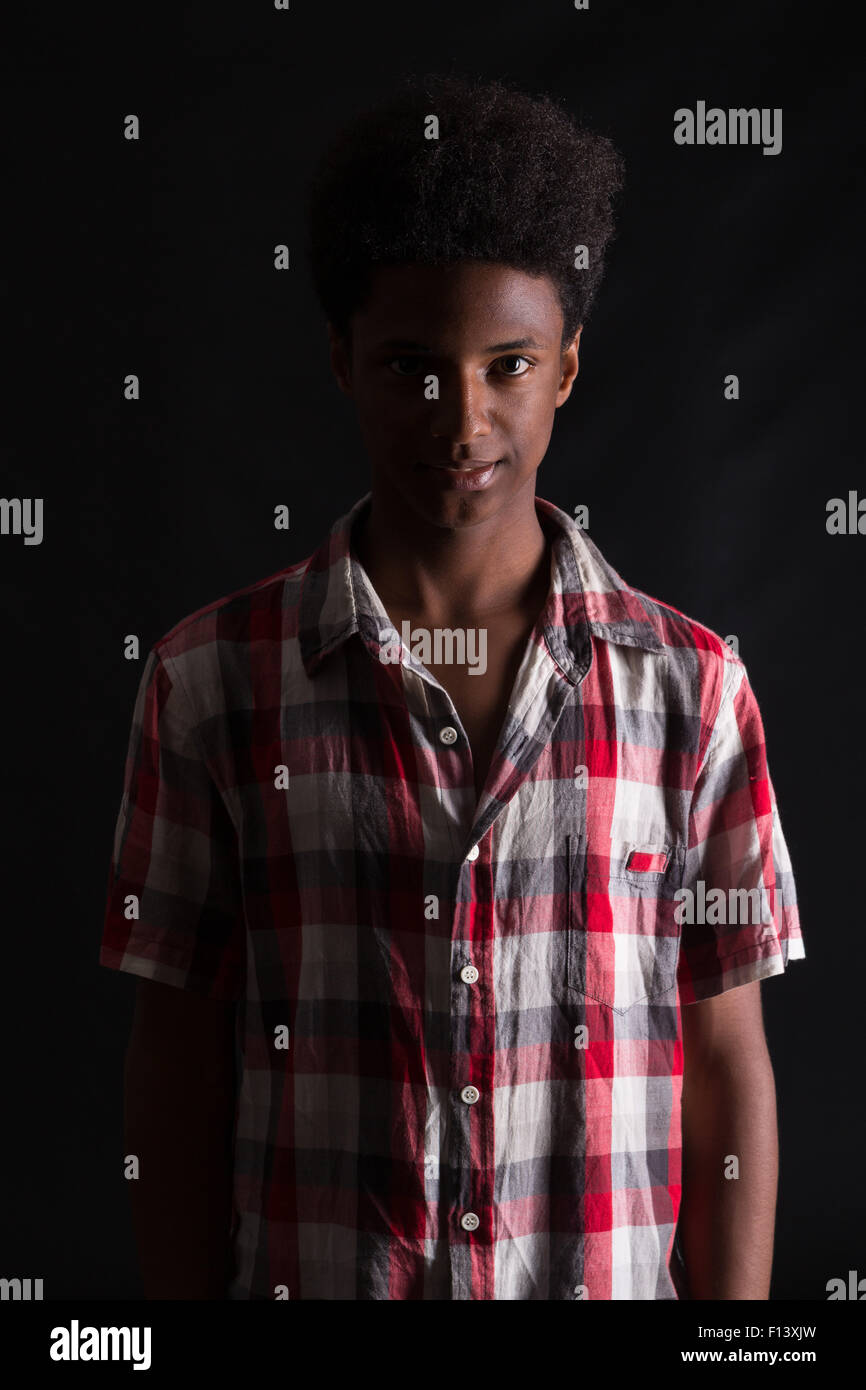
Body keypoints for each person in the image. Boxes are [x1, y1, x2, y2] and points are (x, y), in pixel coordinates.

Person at [100, 73, 805, 1300]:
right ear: (341, 359)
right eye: (412, 365)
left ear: (567, 371)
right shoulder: (210, 680)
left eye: (507, 365)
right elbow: (176, 1058)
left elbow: (724, 1055)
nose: (461, 416)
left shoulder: (690, 692)